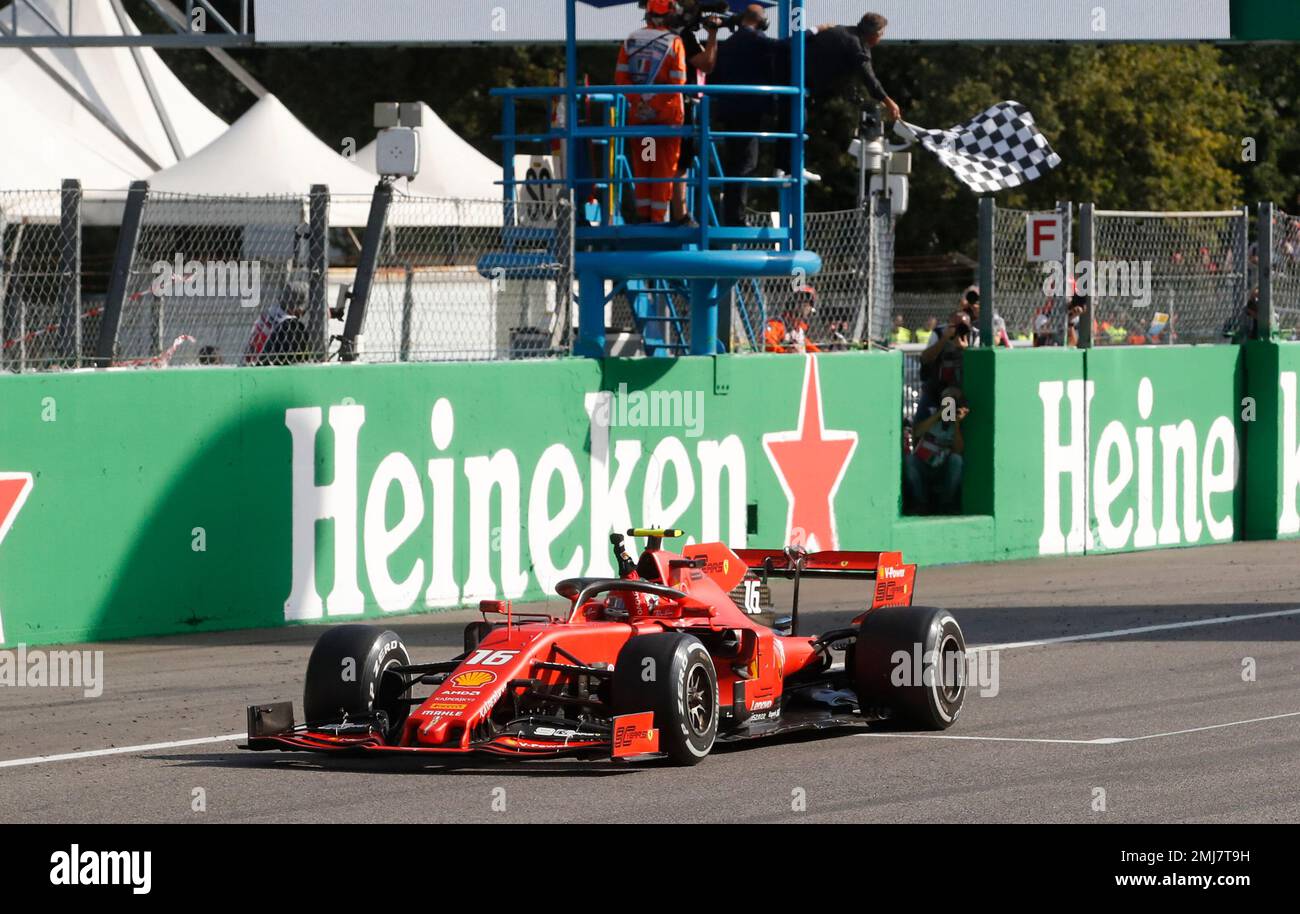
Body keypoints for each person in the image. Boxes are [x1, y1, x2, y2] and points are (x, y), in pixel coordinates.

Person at [616, 0, 688, 223]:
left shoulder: (631, 41)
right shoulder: (674, 42)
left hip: (641, 120)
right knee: (663, 169)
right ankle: (658, 218)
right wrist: (655, 106)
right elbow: (679, 83)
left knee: (645, 164)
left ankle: (644, 216)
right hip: (666, 120)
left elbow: (620, 79)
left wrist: (640, 104)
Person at [712, 4, 781, 225]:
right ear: (761, 22)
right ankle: (735, 217)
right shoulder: (758, 41)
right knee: (745, 163)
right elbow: (786, 47)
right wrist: (813, 32)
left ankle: (730, 214)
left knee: (734, 163)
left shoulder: (729, 43)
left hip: (729, 109)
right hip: (748, 110)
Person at [670, 2, 722, 226]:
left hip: (647, 113)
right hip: (677, 110)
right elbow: (707, 64)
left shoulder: (639, 39)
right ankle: (679, 214)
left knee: (650, 157)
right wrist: (712, 34)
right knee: (680, 161)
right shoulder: (682, 37)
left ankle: (649, 213)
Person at [806, 13, 901, 123]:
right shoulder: (857, 46)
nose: (881, 37)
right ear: (875, 34)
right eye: (882, 33)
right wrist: (889, 102)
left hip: (796, 70)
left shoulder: (845, 32)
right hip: (795, 75)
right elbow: (868, 77)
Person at [904, 386, 967, 514]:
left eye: (953, 399)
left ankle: (946, 504)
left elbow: (959, 449)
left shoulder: (960, 419)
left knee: (957, 460)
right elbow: (916, 432)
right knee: (910, 460)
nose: (949, 402)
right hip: (924, 464)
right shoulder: (930, 412)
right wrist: (940, 414)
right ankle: (921, 503)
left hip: (943, 468)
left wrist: (956, 424)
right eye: (946, 398)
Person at [917, 309, 969, 419]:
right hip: (939, 387)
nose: (959, 330)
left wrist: (965, 349)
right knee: (924, 418)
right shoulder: (939, 333)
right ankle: (944, 428)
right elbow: (925, 358)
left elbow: (979, 365)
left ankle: (951, 427)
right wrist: (944, 339)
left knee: (956, 419)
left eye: (962, 327)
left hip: (965, 388)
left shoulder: (974, 334)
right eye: (955, 326)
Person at [764, 285, 820, 352]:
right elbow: (768, 342)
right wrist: (784, 352)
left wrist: (821, 354)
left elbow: (808, 345)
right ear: (793, 302)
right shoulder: (779, 323)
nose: (806, 305)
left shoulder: (799, 328)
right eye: (802, 300)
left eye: (810, 302)